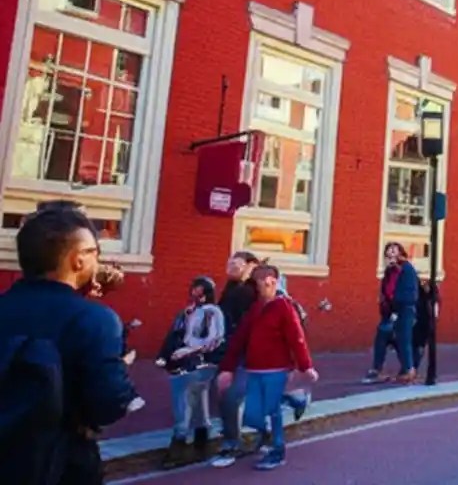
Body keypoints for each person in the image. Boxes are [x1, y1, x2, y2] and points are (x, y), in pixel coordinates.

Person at [0, 206, 140, 485]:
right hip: (59, 464)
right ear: (78, 260)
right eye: (95, 253)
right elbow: (108, 405)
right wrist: (120, 369)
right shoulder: (95, 320)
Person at [216, 264, 317, 471]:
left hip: (276, 369)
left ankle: (277, 451)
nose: (257, 288)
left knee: (272, 412)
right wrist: (228, 369)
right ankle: (294, 398)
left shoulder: (284, 307)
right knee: (252, 414)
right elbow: (239, 339)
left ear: (271, 282)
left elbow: (296, 339)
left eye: (260, 283)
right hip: (255, 369)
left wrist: (306, 366)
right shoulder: (256, 309)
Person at [157, 276, 226, 468]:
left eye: (199, 289)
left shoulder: (212, 312)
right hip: (188, 360)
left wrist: (188, 350)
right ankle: (201, 442)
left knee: (184, 399)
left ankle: (179, 444)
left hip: (199, 362)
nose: (195, 293)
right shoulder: (190, 311)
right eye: (194, 288)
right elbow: (179, 334)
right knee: (197, 399)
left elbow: (214, 340)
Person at [364, 243, 419, 384]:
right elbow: (385, 289)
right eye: (388, 255)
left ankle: (409, 370)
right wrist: (384, 302)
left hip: (404, 310)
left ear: (401, 254)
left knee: (403, 339)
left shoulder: (407, 270)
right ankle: (378, 369)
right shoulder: (389, 271)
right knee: (382, 336)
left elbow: (411, 294)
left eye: (394, 253)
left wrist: (396, 302)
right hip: (390, 311)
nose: (391, 257)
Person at [411, 278, 440, 375]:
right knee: (416, 346)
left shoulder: (430, 299)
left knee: (419, 347)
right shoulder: (422, 297)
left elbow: (434, 314)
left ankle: (413, 367)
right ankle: (412, 367)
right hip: (420, 324)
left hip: (423, 325)